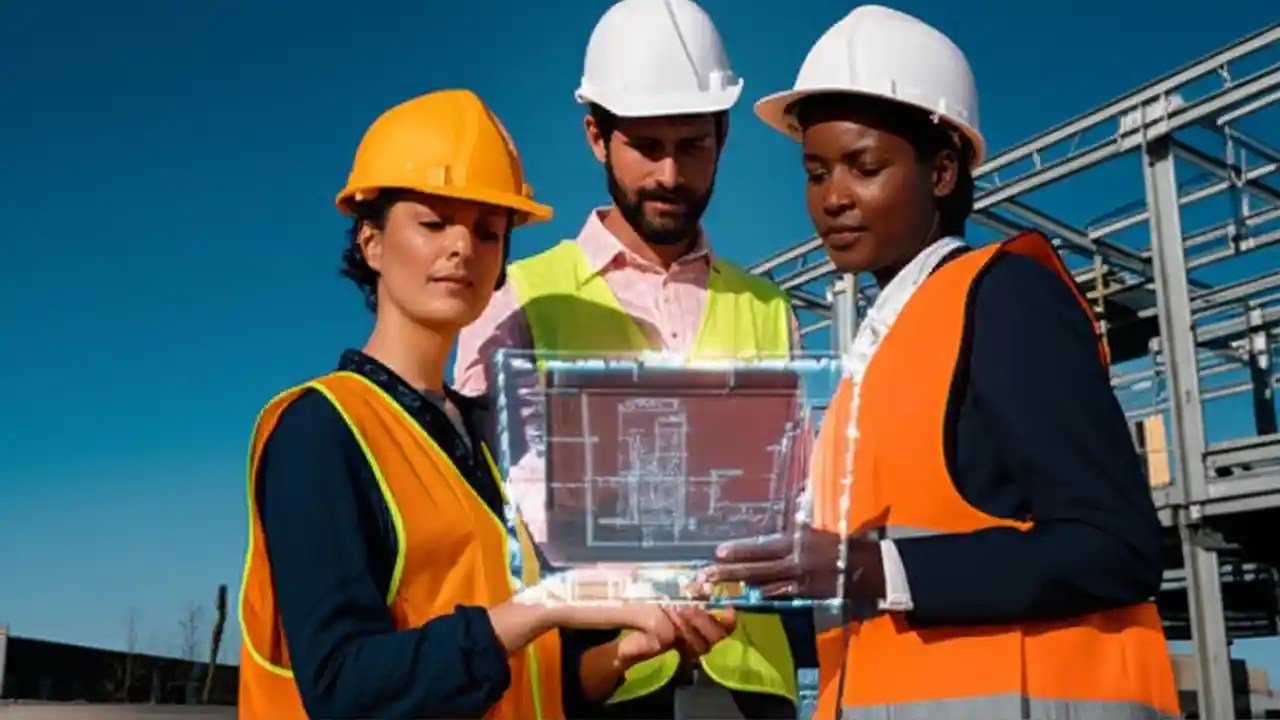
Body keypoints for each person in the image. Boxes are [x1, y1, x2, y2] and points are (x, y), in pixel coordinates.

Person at [696, 6, 1181, 720]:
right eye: (816, 171)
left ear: (944, 170)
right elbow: (879, 605)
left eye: (865, 167)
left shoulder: (1004, 296)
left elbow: (1115, 545)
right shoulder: (883, 353)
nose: (833, 198)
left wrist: (870, 566)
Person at [236, 88, 738, 720]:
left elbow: (520, 679)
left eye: (487, 231)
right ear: (371, 241)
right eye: (433, 221)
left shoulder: (486, 445)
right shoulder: (319, 430)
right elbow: (342, 687)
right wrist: (543, 606)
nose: (462, 248)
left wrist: (622, 656)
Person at [454, 2, 810, 717]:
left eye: (693, 145)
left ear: (724, 135)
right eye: (647, 146)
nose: (671, 173)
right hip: (600, 677)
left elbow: (797, 492)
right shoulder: (518, 299)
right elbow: (493, 514)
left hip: (752, 682)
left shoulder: (769, 308)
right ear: (596, 137)